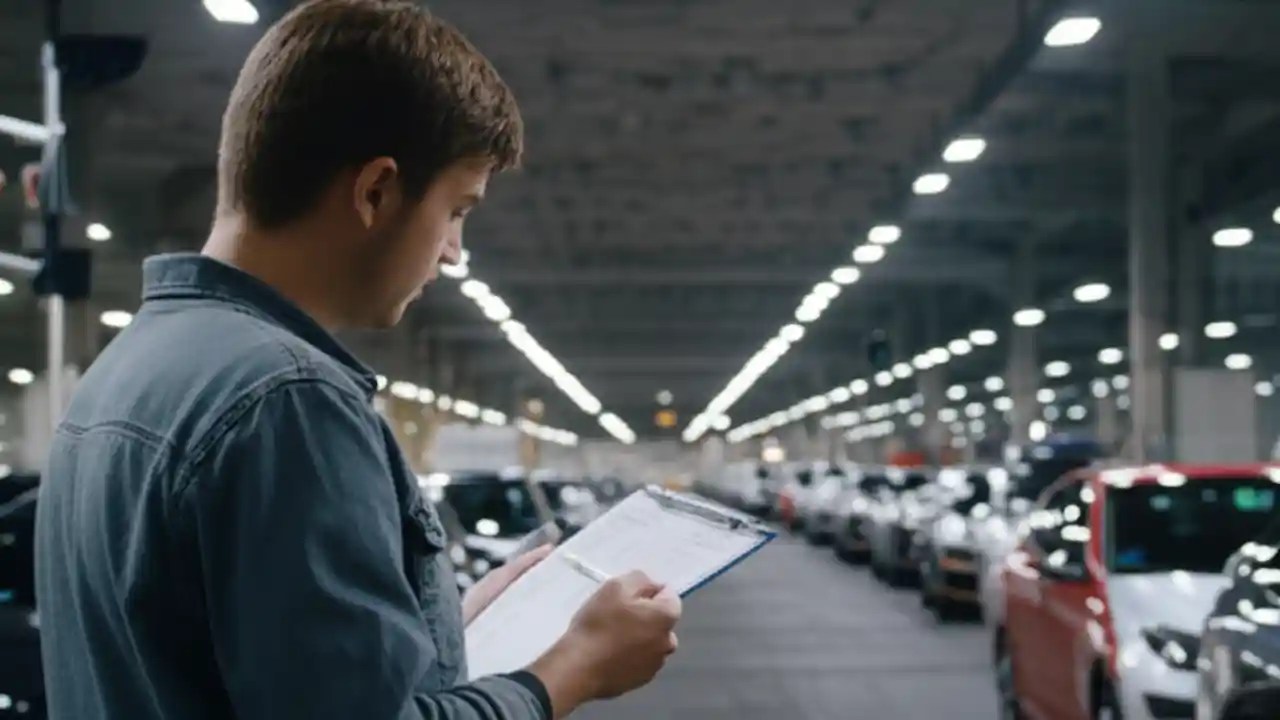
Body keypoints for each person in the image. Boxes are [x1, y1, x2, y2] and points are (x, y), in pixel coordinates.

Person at [33, 1, 681, 719]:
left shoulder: (130, 368)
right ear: (375, 190)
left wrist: (439, 633)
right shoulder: (288, 401)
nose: (453, 251)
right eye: (458, 210)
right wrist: (573, 668)